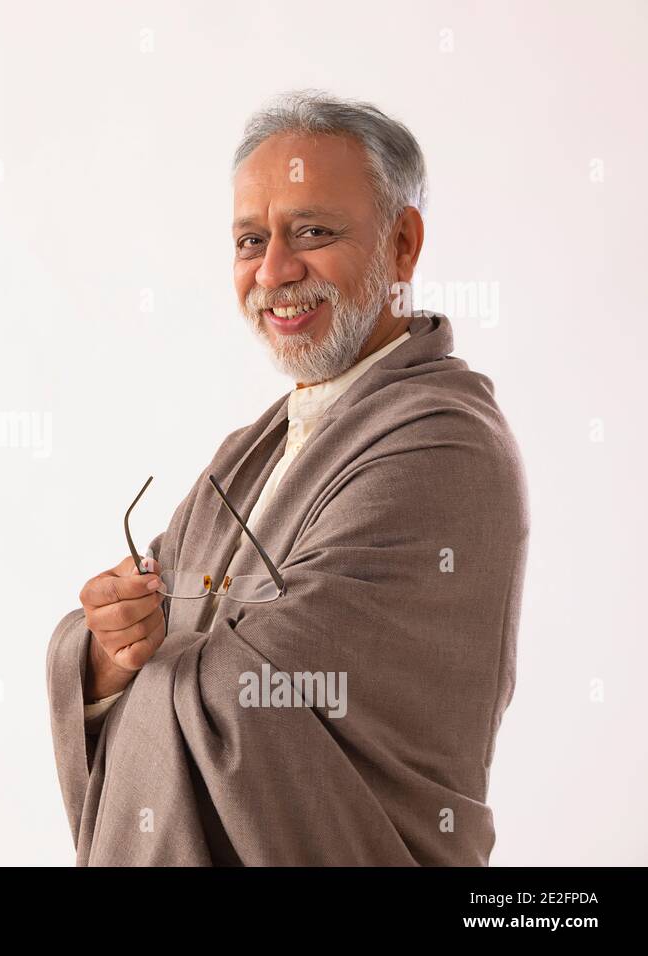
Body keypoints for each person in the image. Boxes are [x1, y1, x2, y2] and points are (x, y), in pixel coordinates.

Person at [45, 90, 528, 866]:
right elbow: (154, 635)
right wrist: (104, 650)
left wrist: (167, 649)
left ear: (402, 244)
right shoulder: (252, 450)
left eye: (313, 231)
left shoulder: (445, 445)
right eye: (249, 240)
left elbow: (260, 685)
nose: (274, 270)